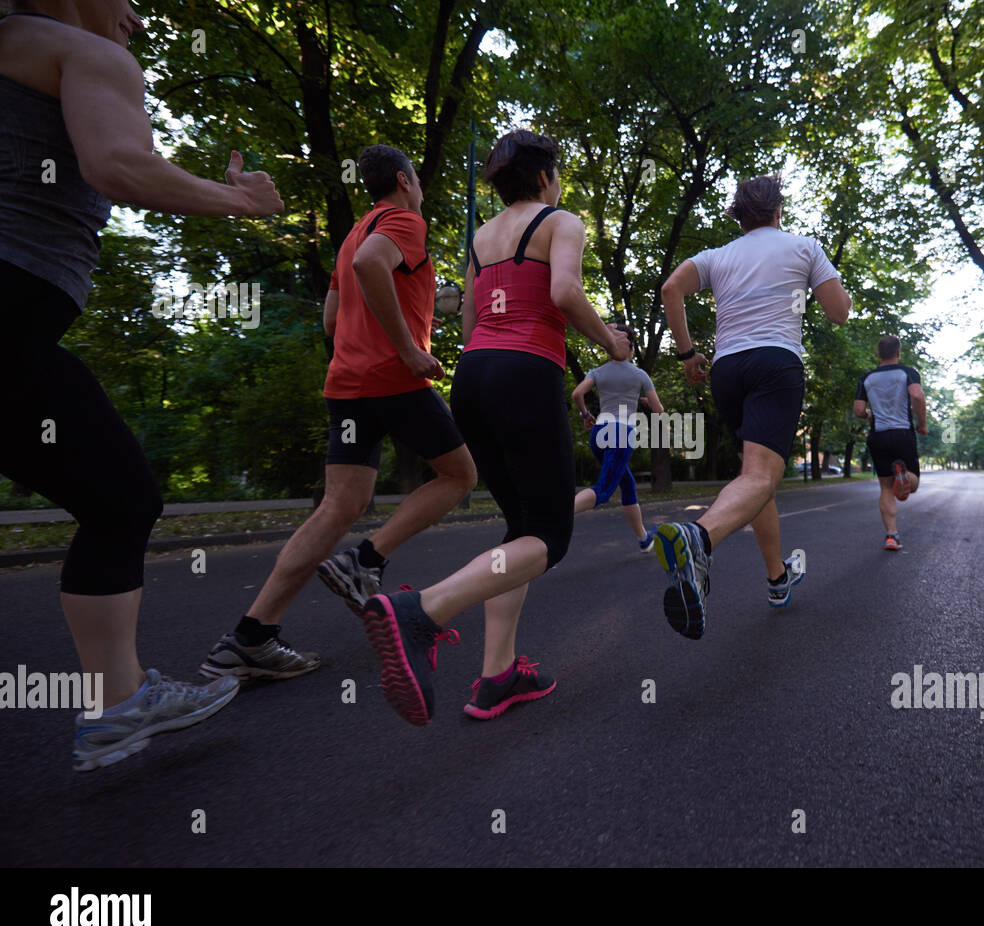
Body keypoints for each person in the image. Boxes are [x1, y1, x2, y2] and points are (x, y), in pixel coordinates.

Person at [0, 0, 284, 769]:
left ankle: (116, 701)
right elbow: (118, 165)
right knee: (120, 495)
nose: (134, 15)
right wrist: (243, 202)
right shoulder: (81, 53)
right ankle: (117, 702)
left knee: (115, 494)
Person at [360, 129, 630, 725]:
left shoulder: (481, 238)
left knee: (520, 527)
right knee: (551, 535)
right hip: (526, 372)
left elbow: (473, 320)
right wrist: (611, 341)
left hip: (475, 376)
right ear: (543, 178)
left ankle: (497, 675)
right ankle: (423, 611)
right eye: (554, 174)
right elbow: (563, 291)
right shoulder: (562, 221)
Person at [200, 145, 477, 680]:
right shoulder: (403, 220)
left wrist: (406, 326)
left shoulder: (355, 230)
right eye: (416, 178)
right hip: (392, 381)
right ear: (403, 179)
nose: (419, 187)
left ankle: (251, 636)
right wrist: (407, 349)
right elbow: (371, 265)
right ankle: (364, 563)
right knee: (460, 474)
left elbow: (332, 320)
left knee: (338, 507)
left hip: (347, 385)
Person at [655, 174, 851, 638]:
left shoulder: (717, 257)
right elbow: (838, 312)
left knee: (755, 476)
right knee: (762, 476)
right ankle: (698, 537)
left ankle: (777, 578)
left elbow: (670, 290)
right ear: (778, 209)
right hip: (774, 364)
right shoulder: (802, 246)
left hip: (727, 370)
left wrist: (687, 355)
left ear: (738, 215)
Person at [572, 322, 663, 551]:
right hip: (621, 434)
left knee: (627, 484)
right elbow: (659, 410)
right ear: (631, 348)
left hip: (599, 433)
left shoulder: (599, 371)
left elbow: (577, 394)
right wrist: (645, 402)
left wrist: (586, 415)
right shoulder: (640, 375)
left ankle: (644, 538)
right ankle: (556, 514)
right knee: (603, 491)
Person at [853, 334, 927, 550]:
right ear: (898, 352)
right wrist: (922, 423)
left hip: (878, 436)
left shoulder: (866, 378)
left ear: (878, 354)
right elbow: (917, 396)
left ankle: (891, 536)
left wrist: (870, 414)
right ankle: (903, 474)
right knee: (912, 486)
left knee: (886, 488)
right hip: (903, 433)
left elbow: (858, 410)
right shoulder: (908, 372)